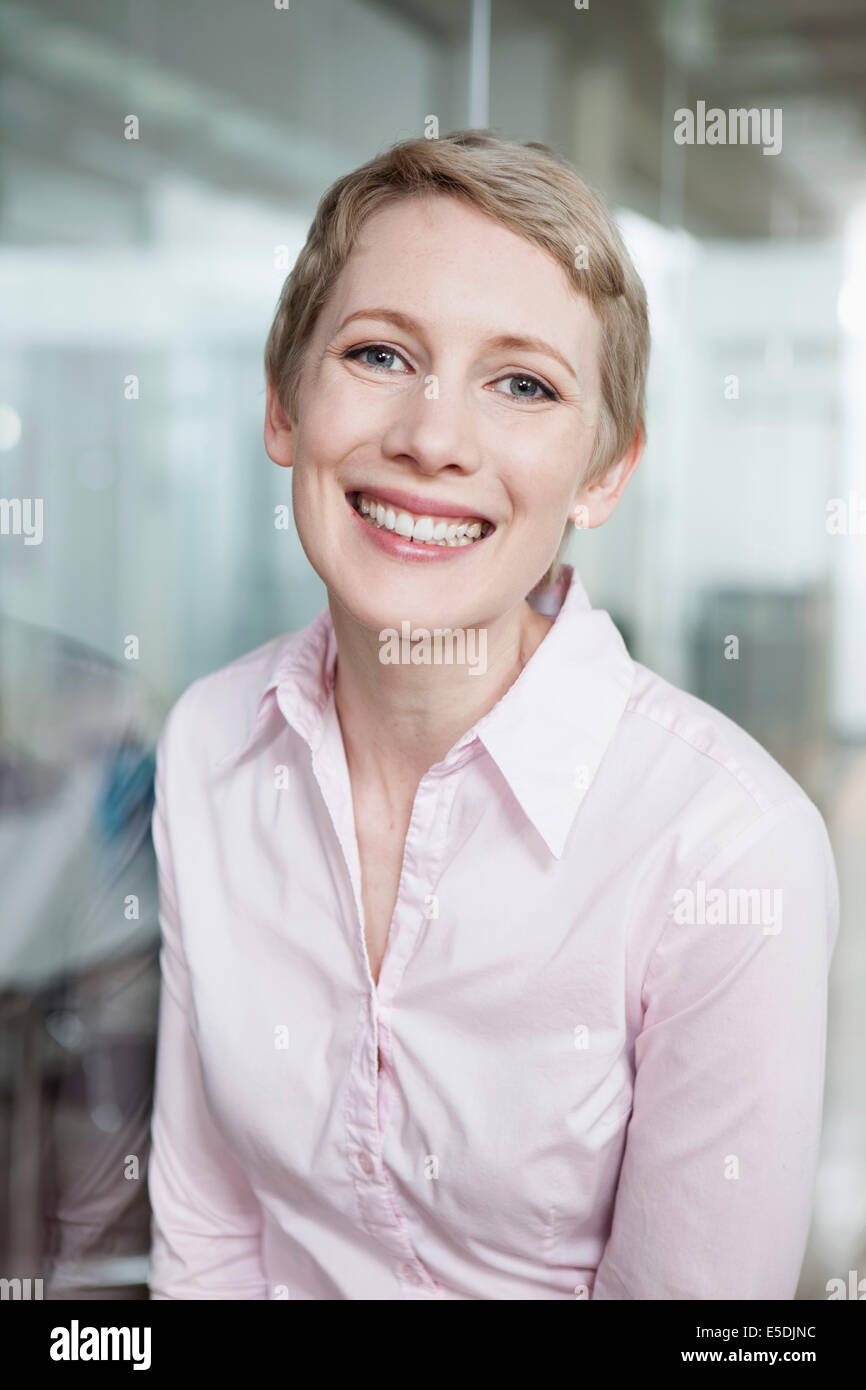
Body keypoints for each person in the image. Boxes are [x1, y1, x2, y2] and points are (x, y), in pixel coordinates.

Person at [146, 130, 839, 1300]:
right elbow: (211, 1234)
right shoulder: (210, 743)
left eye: (521, 383)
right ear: (281, 405)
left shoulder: (725, 848)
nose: (430, 437)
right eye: (375, 353)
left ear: (602, 471)